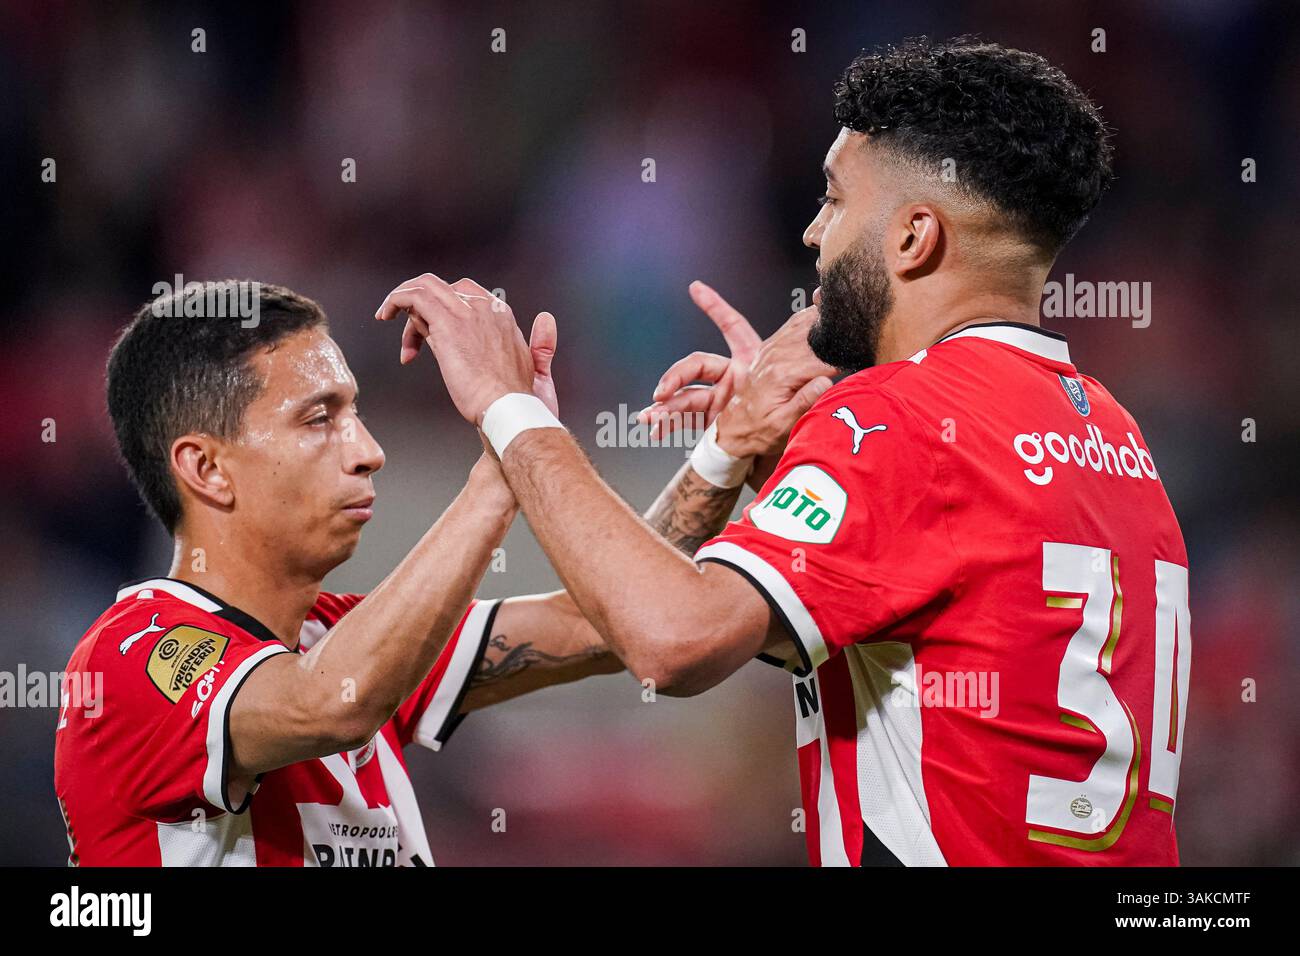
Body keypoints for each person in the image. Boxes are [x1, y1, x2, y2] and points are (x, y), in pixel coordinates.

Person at [379, 37, 1192, 866]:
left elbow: (673, 642)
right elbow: (809, 621)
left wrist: (510, 408)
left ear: (915, 236)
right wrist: (749, 453)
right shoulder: (1115, 435)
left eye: (835, 201)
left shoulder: (900, 419)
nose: (812, 233)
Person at [54, 279, 804, 866]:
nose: (368, 450)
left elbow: (603, 622)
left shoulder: (346, 636)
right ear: (206, 469)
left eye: (356, 412)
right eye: (320, 419)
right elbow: (329, 704)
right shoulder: (131, 657)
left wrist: (728, 448)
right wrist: (505, 447)